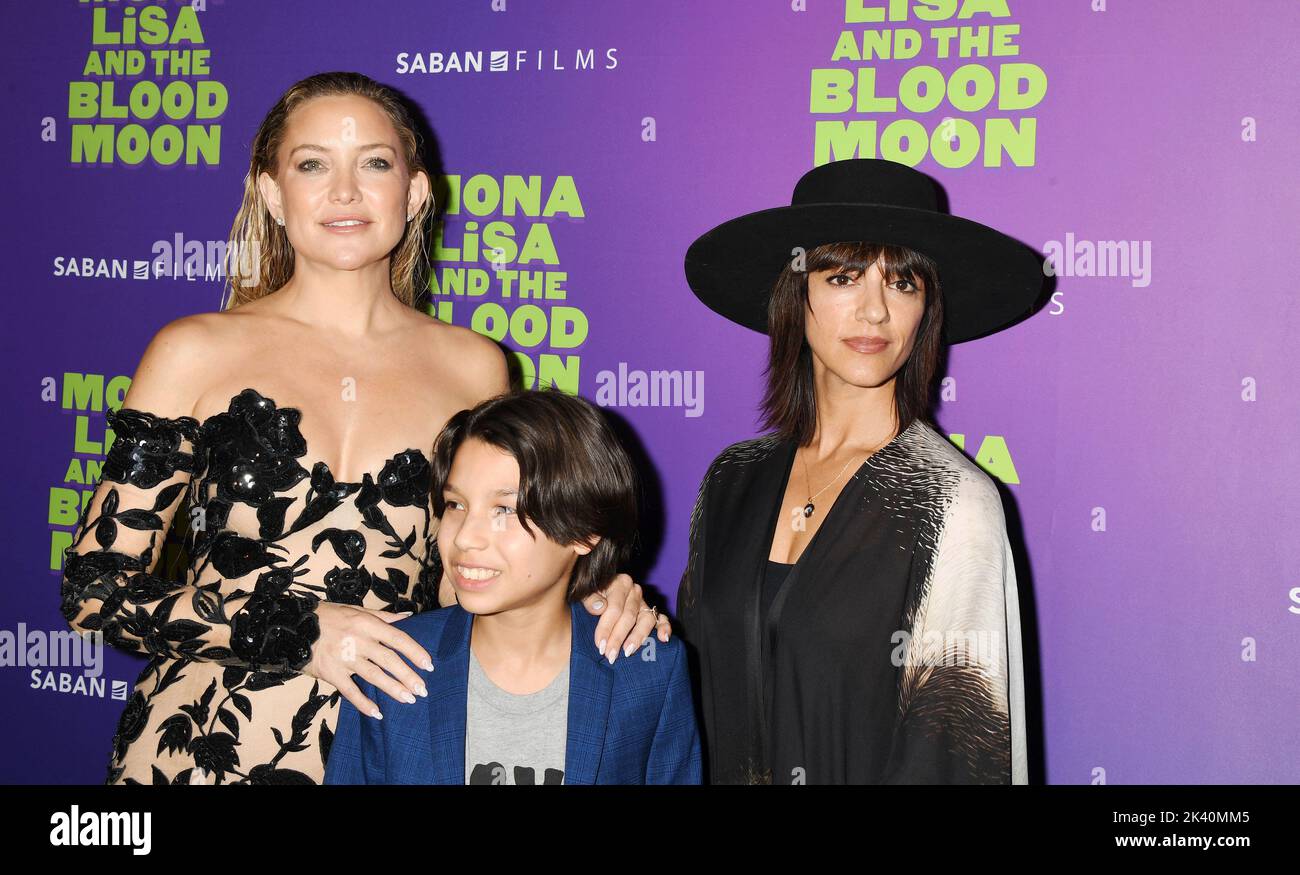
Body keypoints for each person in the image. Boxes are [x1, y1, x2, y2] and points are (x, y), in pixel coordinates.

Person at [58, 71, 670, 786]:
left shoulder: (475, 367)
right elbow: (94, 588)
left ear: (413, 194)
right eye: (312, 164)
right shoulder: (193, 350)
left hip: (398, 747)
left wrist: (584, 593)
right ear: (271, 194)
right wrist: (297, 628)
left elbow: (468, 582)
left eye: (373, 163)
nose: (343, 191)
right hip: (201, 748)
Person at [676, 157, 1041, 784]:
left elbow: (955, 757)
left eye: (903, 284)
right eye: (844, 277)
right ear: (797, 293)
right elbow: (685, 692)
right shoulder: (732, 480)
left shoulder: (951, 502)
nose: (875, 311)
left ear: (927, 308)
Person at [324, 388, 701, 784]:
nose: (466, 537)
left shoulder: (647, 671)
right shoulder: (389, 663)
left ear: (584, 531)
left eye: (505, 509)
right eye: (456, 505)